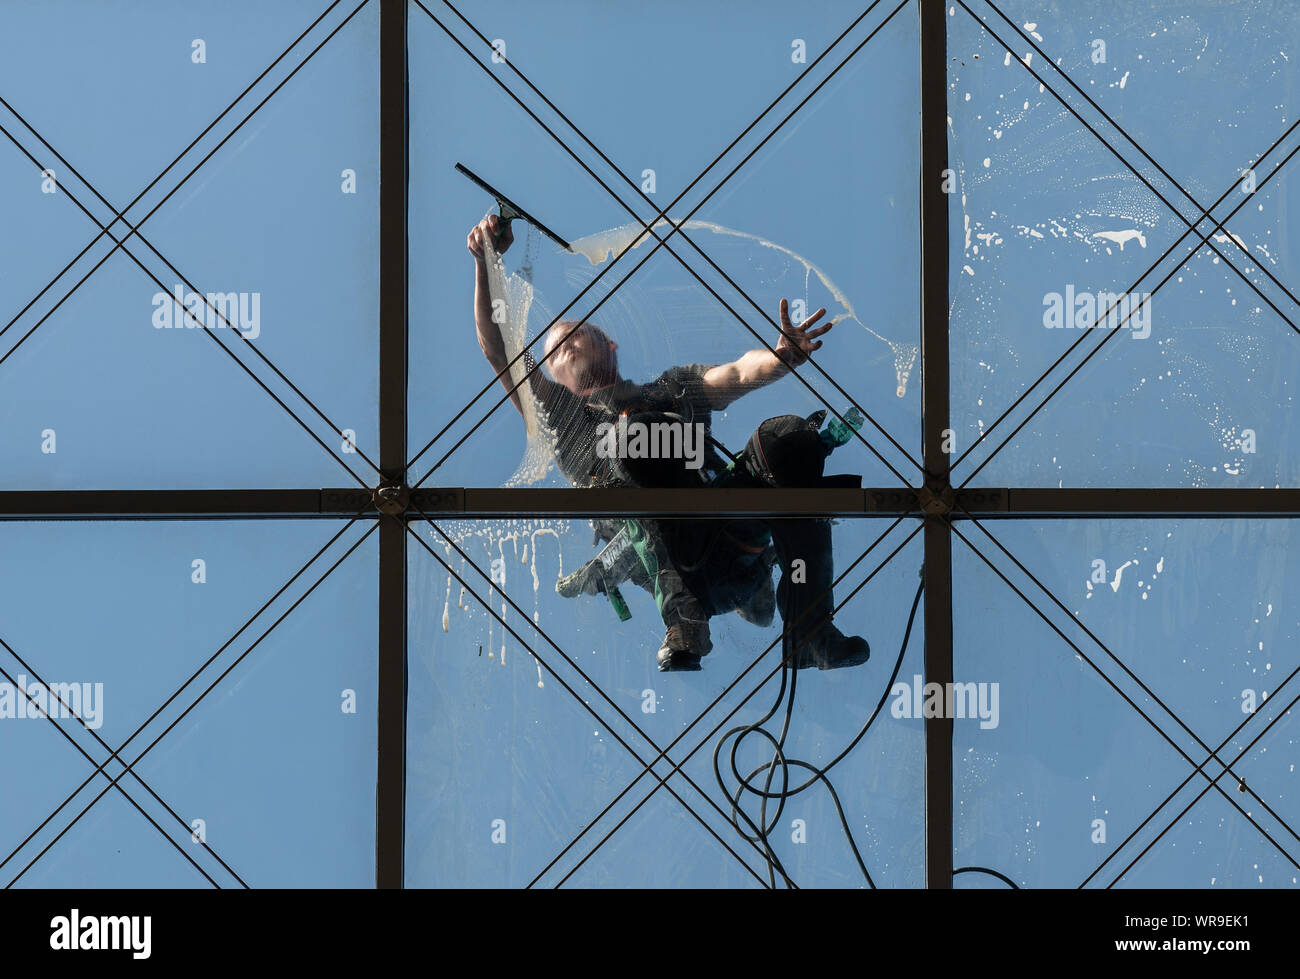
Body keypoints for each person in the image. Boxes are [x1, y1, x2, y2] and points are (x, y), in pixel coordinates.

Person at [469, 214, 869, 672]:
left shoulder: (676, 389)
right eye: (554, 353)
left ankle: (811, 632)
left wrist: (781, 359)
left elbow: (736, 373)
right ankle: (683, 621)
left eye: (574, 335)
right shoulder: (565, 424)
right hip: (684, 570)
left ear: (609, 343)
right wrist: (486, 265)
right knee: (629, 443)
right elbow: (499, 351)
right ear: (554, 379)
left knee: (790, 438)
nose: (566, 347)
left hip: (736, 544)